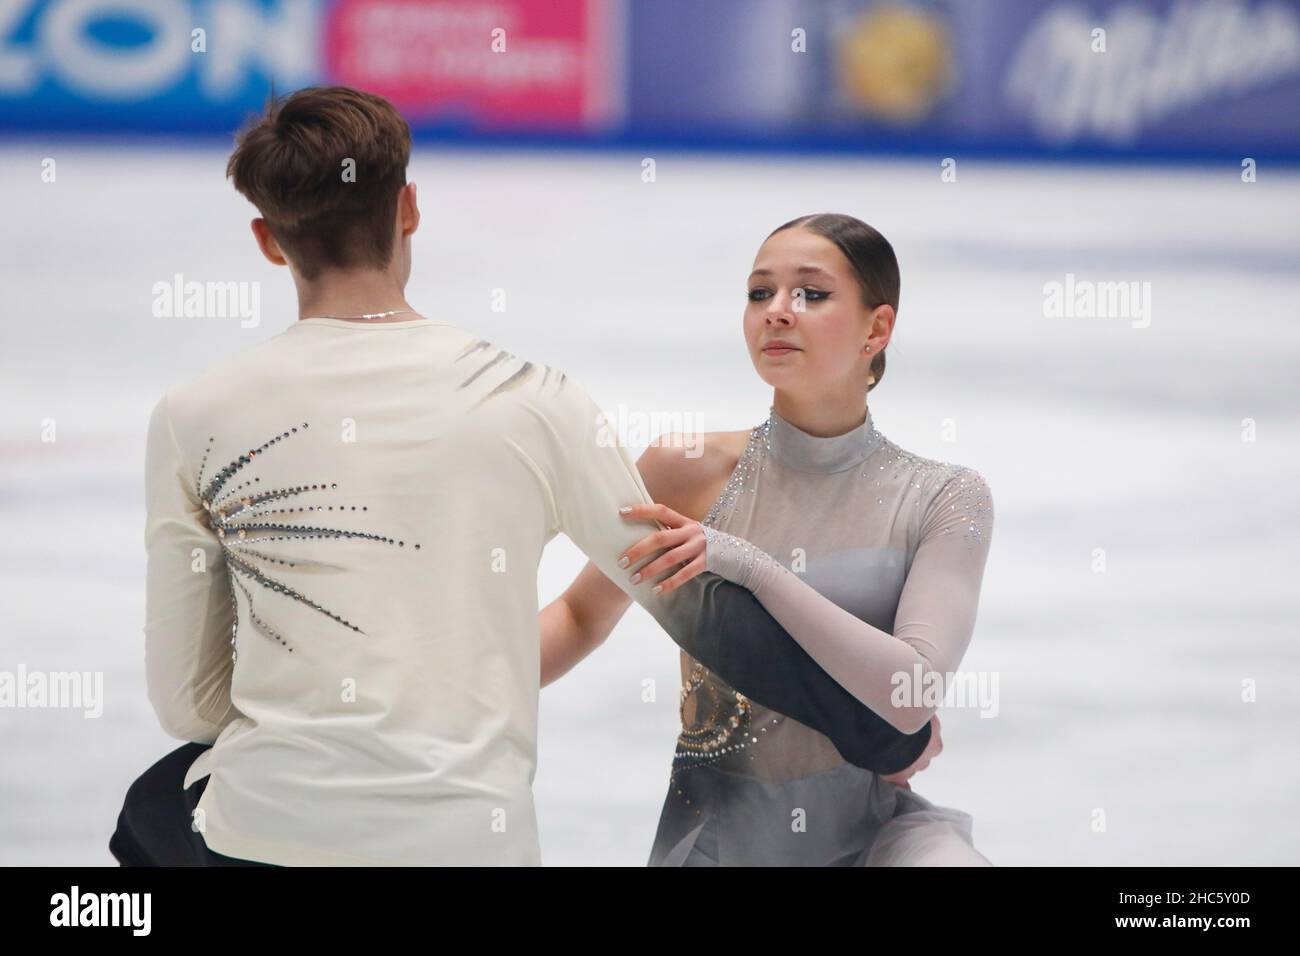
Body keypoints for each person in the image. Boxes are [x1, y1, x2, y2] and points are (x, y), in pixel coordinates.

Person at [111, 87, 932, 867]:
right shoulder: (530, 400)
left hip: (268, 835)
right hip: (470, 840)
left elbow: (190, 701)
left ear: (266, 238)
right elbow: (693, 606)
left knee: (150, 820)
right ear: (408, 208)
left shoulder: (196, 414)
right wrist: (881, 730)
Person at [539, 213, 996, 866]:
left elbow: (913, 696)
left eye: (811, 293)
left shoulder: (941, 496)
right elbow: (581, 614)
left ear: (878, 327)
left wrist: (749, 564)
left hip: (880, 838)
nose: (778, 311)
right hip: (724, 837)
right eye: (761, 293)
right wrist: (447, 683)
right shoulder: (684, 470)